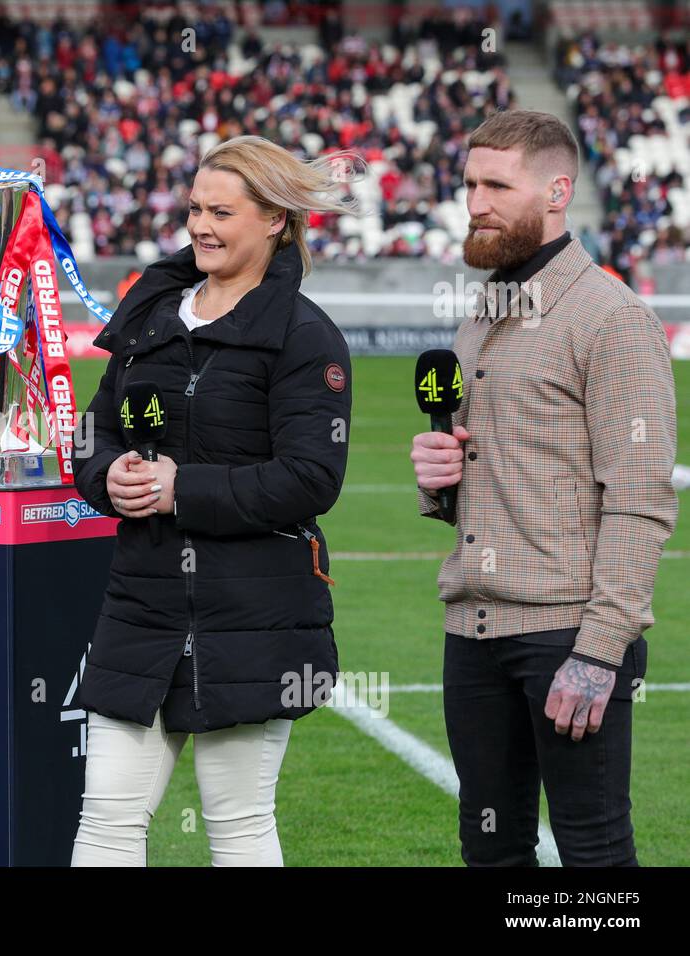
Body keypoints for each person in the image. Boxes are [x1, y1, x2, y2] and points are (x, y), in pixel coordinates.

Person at [71, 136, 359, 866]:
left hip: (254, 614)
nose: (200, 224)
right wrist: (106, 477)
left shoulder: (305, 335)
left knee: (237, 825)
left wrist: (179, 489)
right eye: (195, 207)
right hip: (142, 604)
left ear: (273, 221)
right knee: (105, 817)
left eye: (221, 212)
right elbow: (90, 431)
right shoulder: (151, 316)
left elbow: (309, 478)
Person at [410, 110, 678, 866]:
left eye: (498, 184)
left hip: (568, 634)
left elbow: (641, 498)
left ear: (558, 191)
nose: (476, 202)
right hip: (473, 629)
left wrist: (597, 652)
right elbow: (493, 483)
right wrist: (439, 480)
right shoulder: (481, 313)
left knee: (593, 850)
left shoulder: (613, 317)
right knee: (489, 848)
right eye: (469, 184)